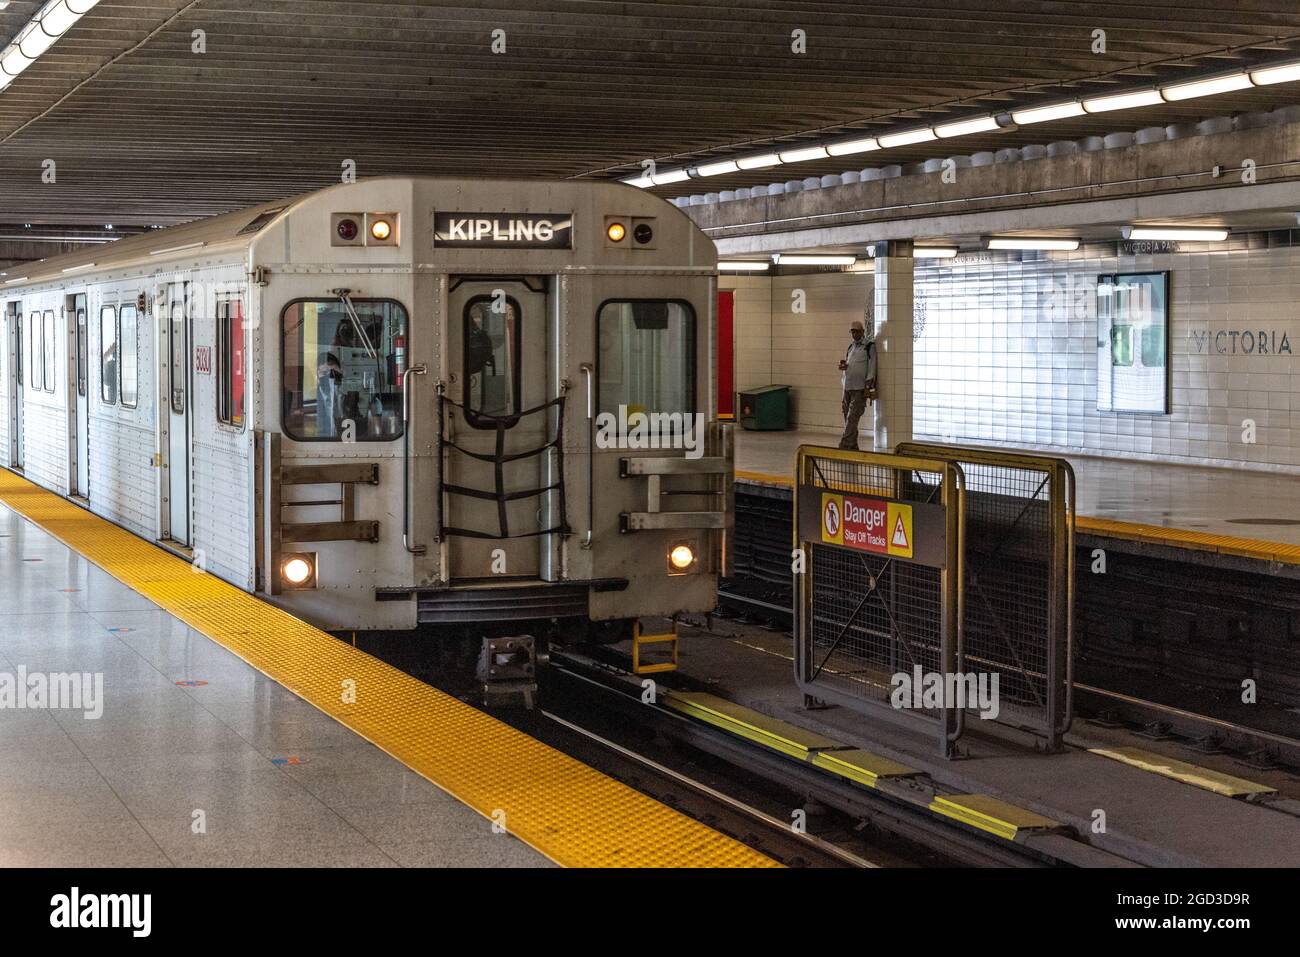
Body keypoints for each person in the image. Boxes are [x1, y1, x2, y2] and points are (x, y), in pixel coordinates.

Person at [837, 319, 876, 451]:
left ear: (862, 332)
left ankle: (844, 445)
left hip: (859, 388)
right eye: (852, 332)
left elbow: (872, 367)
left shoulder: (869, 346)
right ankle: (852, 445)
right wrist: (844, 366)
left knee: (852, 417)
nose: (854, 334)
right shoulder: (851, 347)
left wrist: (868, 386)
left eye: (857, 331)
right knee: (847, 417)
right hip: (847, 386)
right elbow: (850, 365)